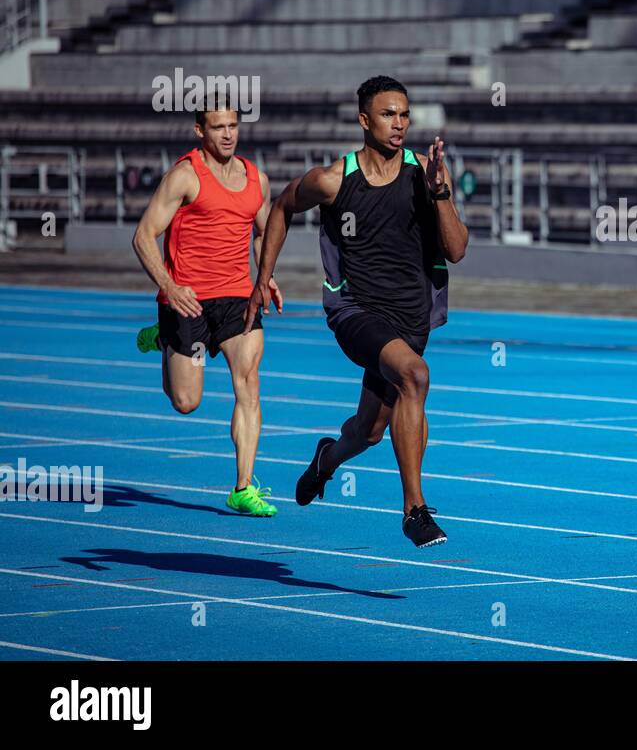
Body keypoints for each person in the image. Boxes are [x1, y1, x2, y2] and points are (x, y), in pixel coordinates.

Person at [247, 75, 468, 547]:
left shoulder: (424, 175)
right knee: (416, 377)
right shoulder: (334, 180)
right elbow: (283, 207)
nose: (400, 124)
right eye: (389, 114)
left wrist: (441, 194)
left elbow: (457, 250)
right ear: (364, 120)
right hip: (355, 312)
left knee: (369, 432)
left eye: (405, 114)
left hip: (412, 318)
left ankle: (326, 459)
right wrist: (263, 274)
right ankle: (414, 510)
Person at [132, 97, 283, 516]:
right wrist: (169, 285)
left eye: (233, 126)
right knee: (186, 401)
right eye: (218, 127)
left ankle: (242, 486)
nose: (228, 134)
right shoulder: (184, 176)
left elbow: (260, 232)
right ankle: (164, 336)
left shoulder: (257, 180)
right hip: (188, 300)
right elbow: (144, 236)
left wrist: (265, 276)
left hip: (237, 297)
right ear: (201, 131)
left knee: (249, 380)